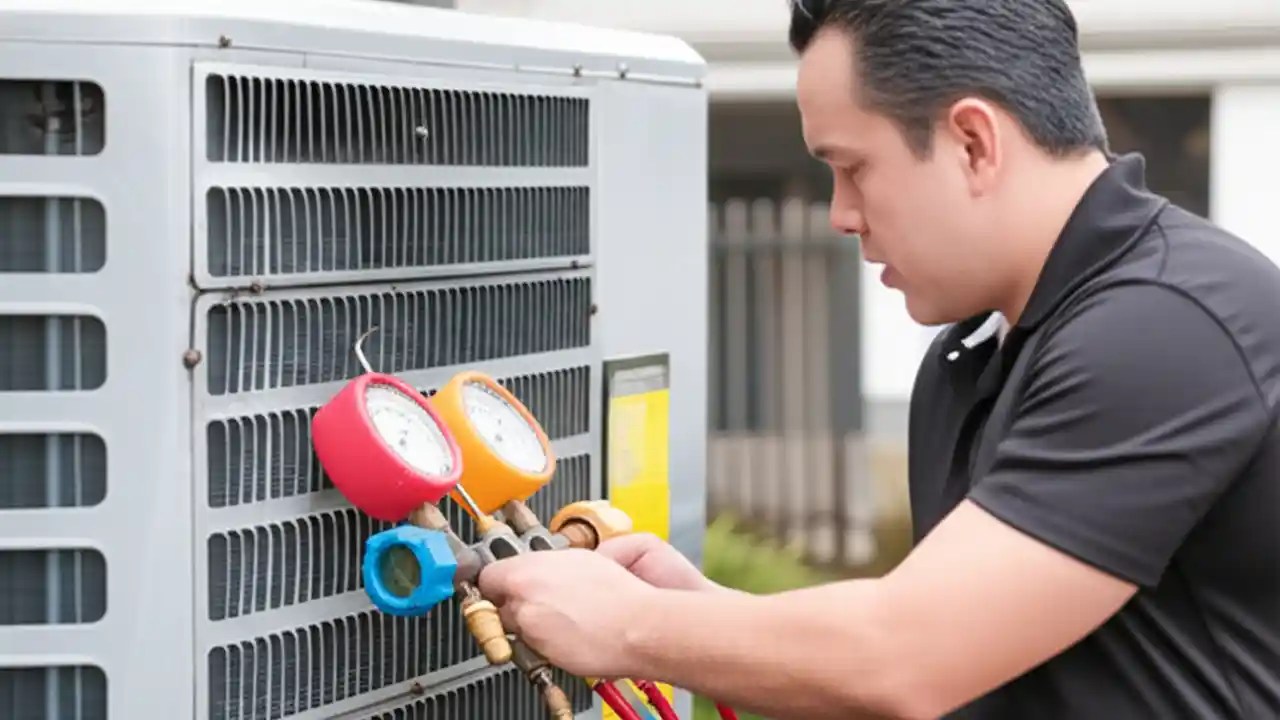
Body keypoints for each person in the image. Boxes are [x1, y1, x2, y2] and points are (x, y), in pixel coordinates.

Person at [477, 1, 1280, 718]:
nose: (841, 216)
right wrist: (708, 609)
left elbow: (909, 657)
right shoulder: (973, 359)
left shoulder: (1167, 323)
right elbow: (961, 655)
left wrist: (634, 627)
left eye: (852, 167)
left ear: (972, 141)